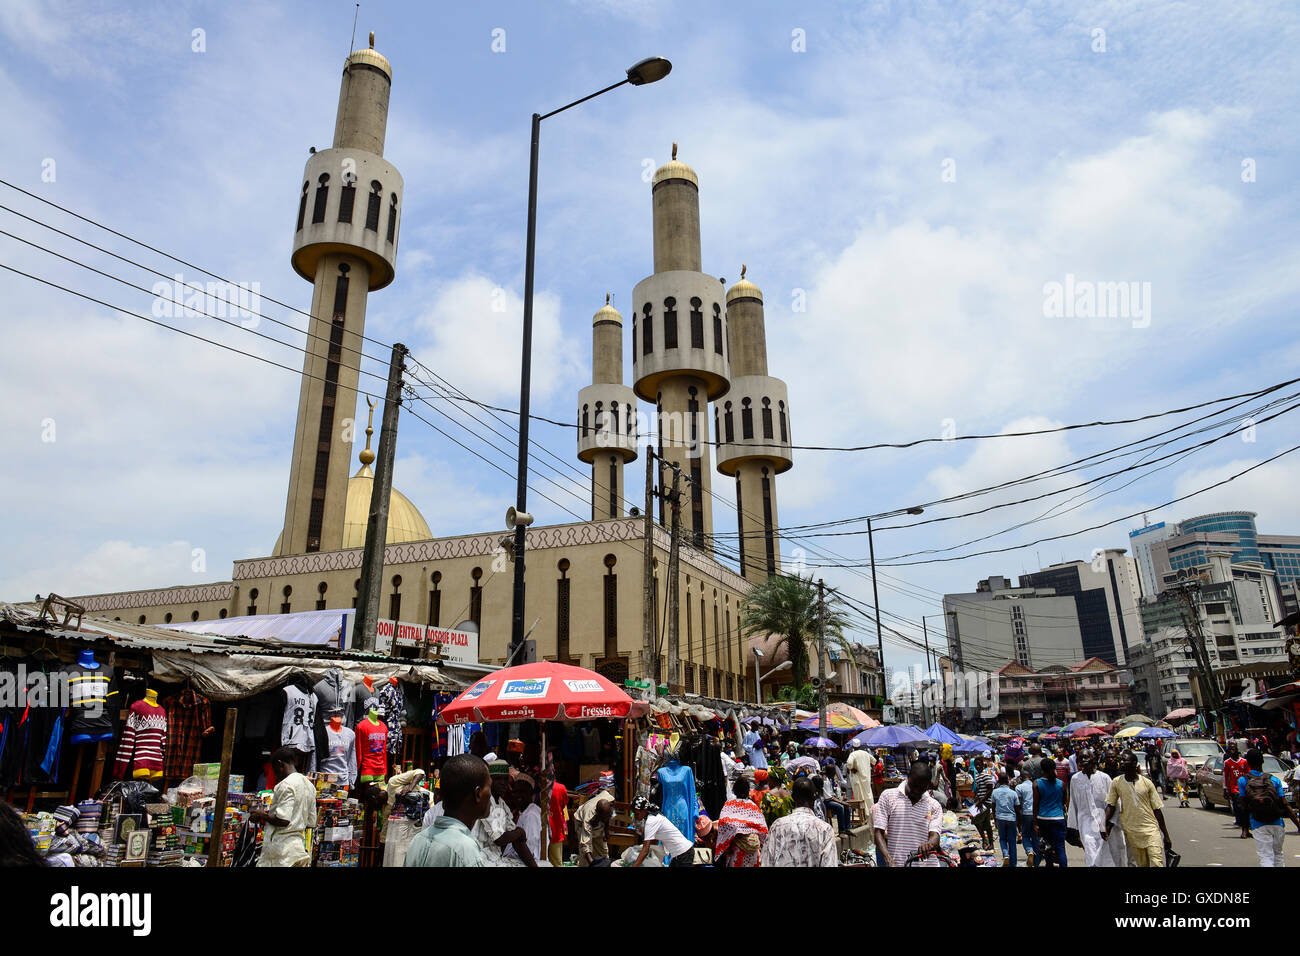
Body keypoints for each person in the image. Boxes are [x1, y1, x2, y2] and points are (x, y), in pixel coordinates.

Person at [406, 754, 492, 867]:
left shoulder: (418, 840)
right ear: (477, 794)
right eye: (490, 787)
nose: (491, 795)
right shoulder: (466, 850)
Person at [251, 747, 318, 867]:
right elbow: (311, 822)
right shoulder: (309, 786)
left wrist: (262, 815)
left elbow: (283, 820)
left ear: (279, 764)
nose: (275, 775)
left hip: (280, 851)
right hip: (297, 849)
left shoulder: (285, 785)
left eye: (274, 769)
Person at [1105, 751, 1172, 867]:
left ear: (1134, 763)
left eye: (1124, 760)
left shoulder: (1147, 783)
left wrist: (1166, 835)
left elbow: (1157, 809)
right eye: (1121, 760)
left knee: (1157, 862)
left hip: (1151, 830)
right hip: (1132, 832)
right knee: (1142, 864)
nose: (1121, 762)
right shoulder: (1116, 783)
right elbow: (1111, 805)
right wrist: (1103, 825)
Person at [1237, 747, 1300, 867]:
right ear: (1262, 762)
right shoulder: (1274, 780)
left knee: (1266, 856)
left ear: (1248, 763)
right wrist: (1297, 824)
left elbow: (1243, 804)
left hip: (1258, 823)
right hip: (1277, 822)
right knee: (1278, 854)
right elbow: (1285, 804)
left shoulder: (1243, 781)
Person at [874, 760, 943, 866]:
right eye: (914, 785)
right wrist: (889, 860)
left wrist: (929, 844)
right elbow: (878, 832)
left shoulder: (934, 805)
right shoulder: (888, 796)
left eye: (921, 788)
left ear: (928, 785)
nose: (916, 790)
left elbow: (935, 835)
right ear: (908, 777)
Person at [762, 775, 839, 866]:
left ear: (793, 797)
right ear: (814, 797)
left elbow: (767, 861)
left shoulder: (777, 826)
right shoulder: (825, 829)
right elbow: (829, 863)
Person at [1067, 748, 1125, 867]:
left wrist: (1110, 824)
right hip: (1086, 824)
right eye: (1080, 758)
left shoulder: (1104, 778)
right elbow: (1073, 803)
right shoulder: (1075, 779)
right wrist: (1075, 828)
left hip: (1106, 824)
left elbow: (1114, 803)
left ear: (1093, 759)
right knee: (1091, 854)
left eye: (1086, 757)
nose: (1083, 760)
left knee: (1109, 856)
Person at [631, 786, 695, 867]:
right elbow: (653, 842)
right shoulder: (652, 817)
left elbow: (645, 851)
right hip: (680, 855)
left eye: (637, 813)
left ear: (644, 810)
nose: (636, 817)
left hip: (683, 854)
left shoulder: (651, 821)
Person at [715, 776, 769, 867]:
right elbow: (763, 829)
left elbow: (723, 823)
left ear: (734, 790)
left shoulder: (729, 805)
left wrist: (734, 833)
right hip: (752, 851)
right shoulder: (754, 807)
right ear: (748, 791)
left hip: (736, 849)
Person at [1032, 756, 1069, 867]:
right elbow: (1064, 801)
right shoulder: (1061, 784)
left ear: (1042, 769)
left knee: (1047, 848)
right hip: (1058, 818)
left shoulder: (1037, 784)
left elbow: (1035, 804)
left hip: (1043, 819)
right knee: (1060, 849)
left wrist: (1035, 823)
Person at [573, 790, 614, 866]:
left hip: (597, 821)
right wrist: (592, 864)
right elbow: (585, 843)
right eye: (604, 818)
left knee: (603, 850)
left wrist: (606, 830)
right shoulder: (588, 818)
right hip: (580, 821)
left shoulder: (610, 800)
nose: (606, 819)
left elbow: (608, 817)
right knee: (585, 855)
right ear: (598, 814)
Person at [991, 772, 1021, 867]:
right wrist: (1019, 823)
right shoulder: (1013, 793)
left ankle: (1005, 854)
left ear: (998, 781)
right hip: (1011, 818)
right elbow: (1017, 808)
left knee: (1002, 839)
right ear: (1008, 781)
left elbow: (993, 807)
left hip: (1000, 818)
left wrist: (995, 820)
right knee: (1012, 841)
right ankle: (1013, 864)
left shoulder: (995, 792)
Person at [1223, 742, 1251, 839]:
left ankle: (1247, 829)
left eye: (1233, 749)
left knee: (1247, 809)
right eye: (1230, 749)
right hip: (1235, 789)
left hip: (1246, 788)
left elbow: (1249, 775)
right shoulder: (1227, 763)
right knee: (1240, 808)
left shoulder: (1244, 762)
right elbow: (1226, 777)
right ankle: (1244, 829)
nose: (1232, 751)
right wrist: (1225, 789)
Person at [846, 741, 875, 824]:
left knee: (860, 797)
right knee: (868, 796)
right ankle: (871, 814)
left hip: (857, 779)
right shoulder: (866, 753)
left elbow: (849, 764)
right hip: (866, 779)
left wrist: (851, 769)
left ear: (853, 747)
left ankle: (863, 817)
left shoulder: (853, 754)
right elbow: (874, 761)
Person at [970, 756, 996, 851]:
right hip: (980, 802)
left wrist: (981, 801)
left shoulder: (985, 775)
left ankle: (985, 841)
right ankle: (990, 843)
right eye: (976, 765)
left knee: (975, 820)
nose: (977, 766)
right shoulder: (978, 775)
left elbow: (990, 789)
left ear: (983, 765)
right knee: (987, 824)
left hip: (984, 803)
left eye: (979, 765)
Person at [1015, 770, 1038, 866]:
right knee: (1035, 835)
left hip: (1025, 813)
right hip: (1036, 813)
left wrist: (1018, 818)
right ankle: (1037, 857)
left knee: (1025, 834)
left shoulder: (1019, 787)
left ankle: (1029, 851)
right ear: (1031, 778)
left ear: (1021, 778)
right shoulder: (1036, 785)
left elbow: (1018, 803)